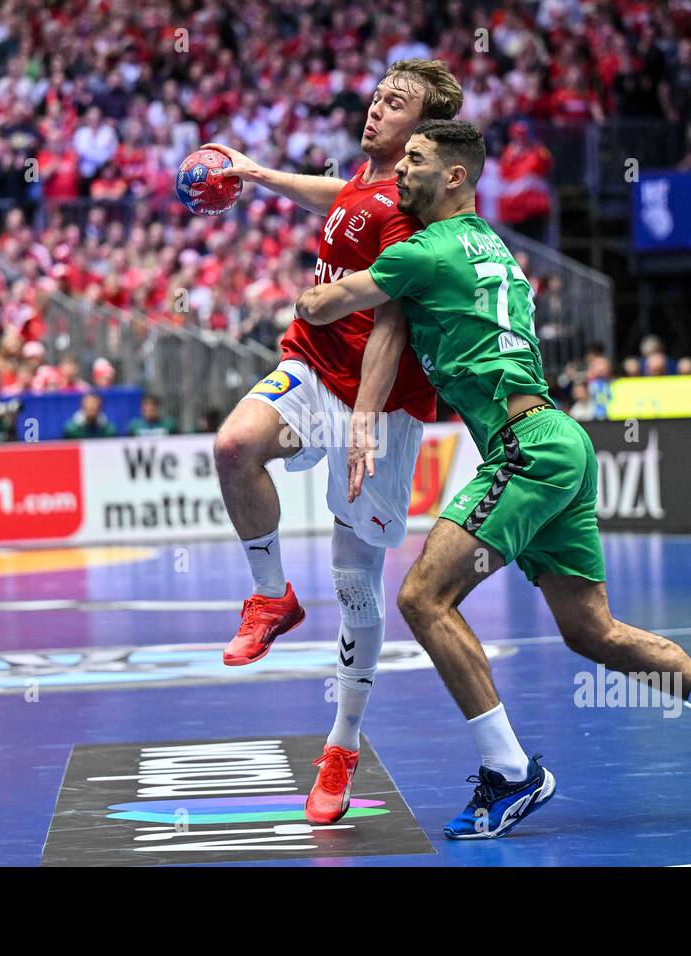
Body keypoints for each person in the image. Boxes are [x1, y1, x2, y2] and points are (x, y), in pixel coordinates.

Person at [296, 120, 691, 839]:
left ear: (454, 177)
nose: (397, 170)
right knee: (592, 631)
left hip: (524, 450)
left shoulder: (422, 250)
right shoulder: (490, 245)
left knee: (422, 597)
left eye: (413, 160)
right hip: (560, 443)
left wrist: (324, 263)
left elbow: (321, 307)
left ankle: (510, 775)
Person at [205, 60, 463, 826]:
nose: (376, 108)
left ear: (422, 132)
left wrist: (364, 415)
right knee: (233, 446)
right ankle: (270, 596)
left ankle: (343, 742)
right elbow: (343, 198)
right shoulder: (370, 179)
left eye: (396, 104)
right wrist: (256, 172)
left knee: (356, 589)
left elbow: (392, 317)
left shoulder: (414, 207)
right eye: (378, 95)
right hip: (311, 368)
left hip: (378, 408)